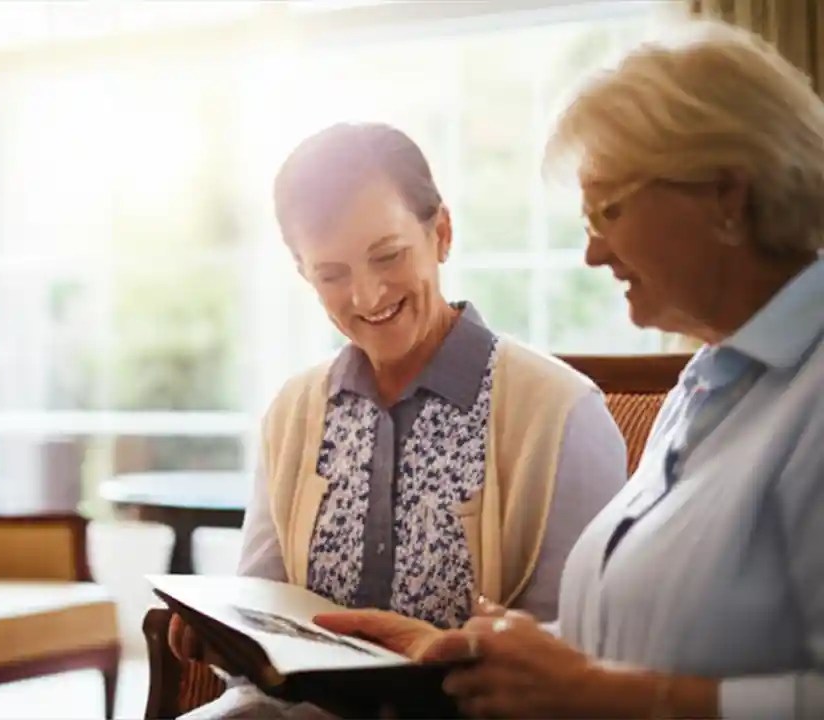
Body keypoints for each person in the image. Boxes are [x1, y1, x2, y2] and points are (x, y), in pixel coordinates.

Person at [316, 22, 824, 720]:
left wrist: (600, 697)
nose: (592, 253)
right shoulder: (712, 381)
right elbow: (649, 639)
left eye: (608, 210)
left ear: (726, 195)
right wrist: (462, 649)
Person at [170, 122, 628, 718]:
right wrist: (222, 638)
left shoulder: (562, 413)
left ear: (441, 232)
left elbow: (574, 663)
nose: (366, 297)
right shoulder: (293, 413)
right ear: (303, 272)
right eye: (331, 274)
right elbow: (262, 628)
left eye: (387, 256)